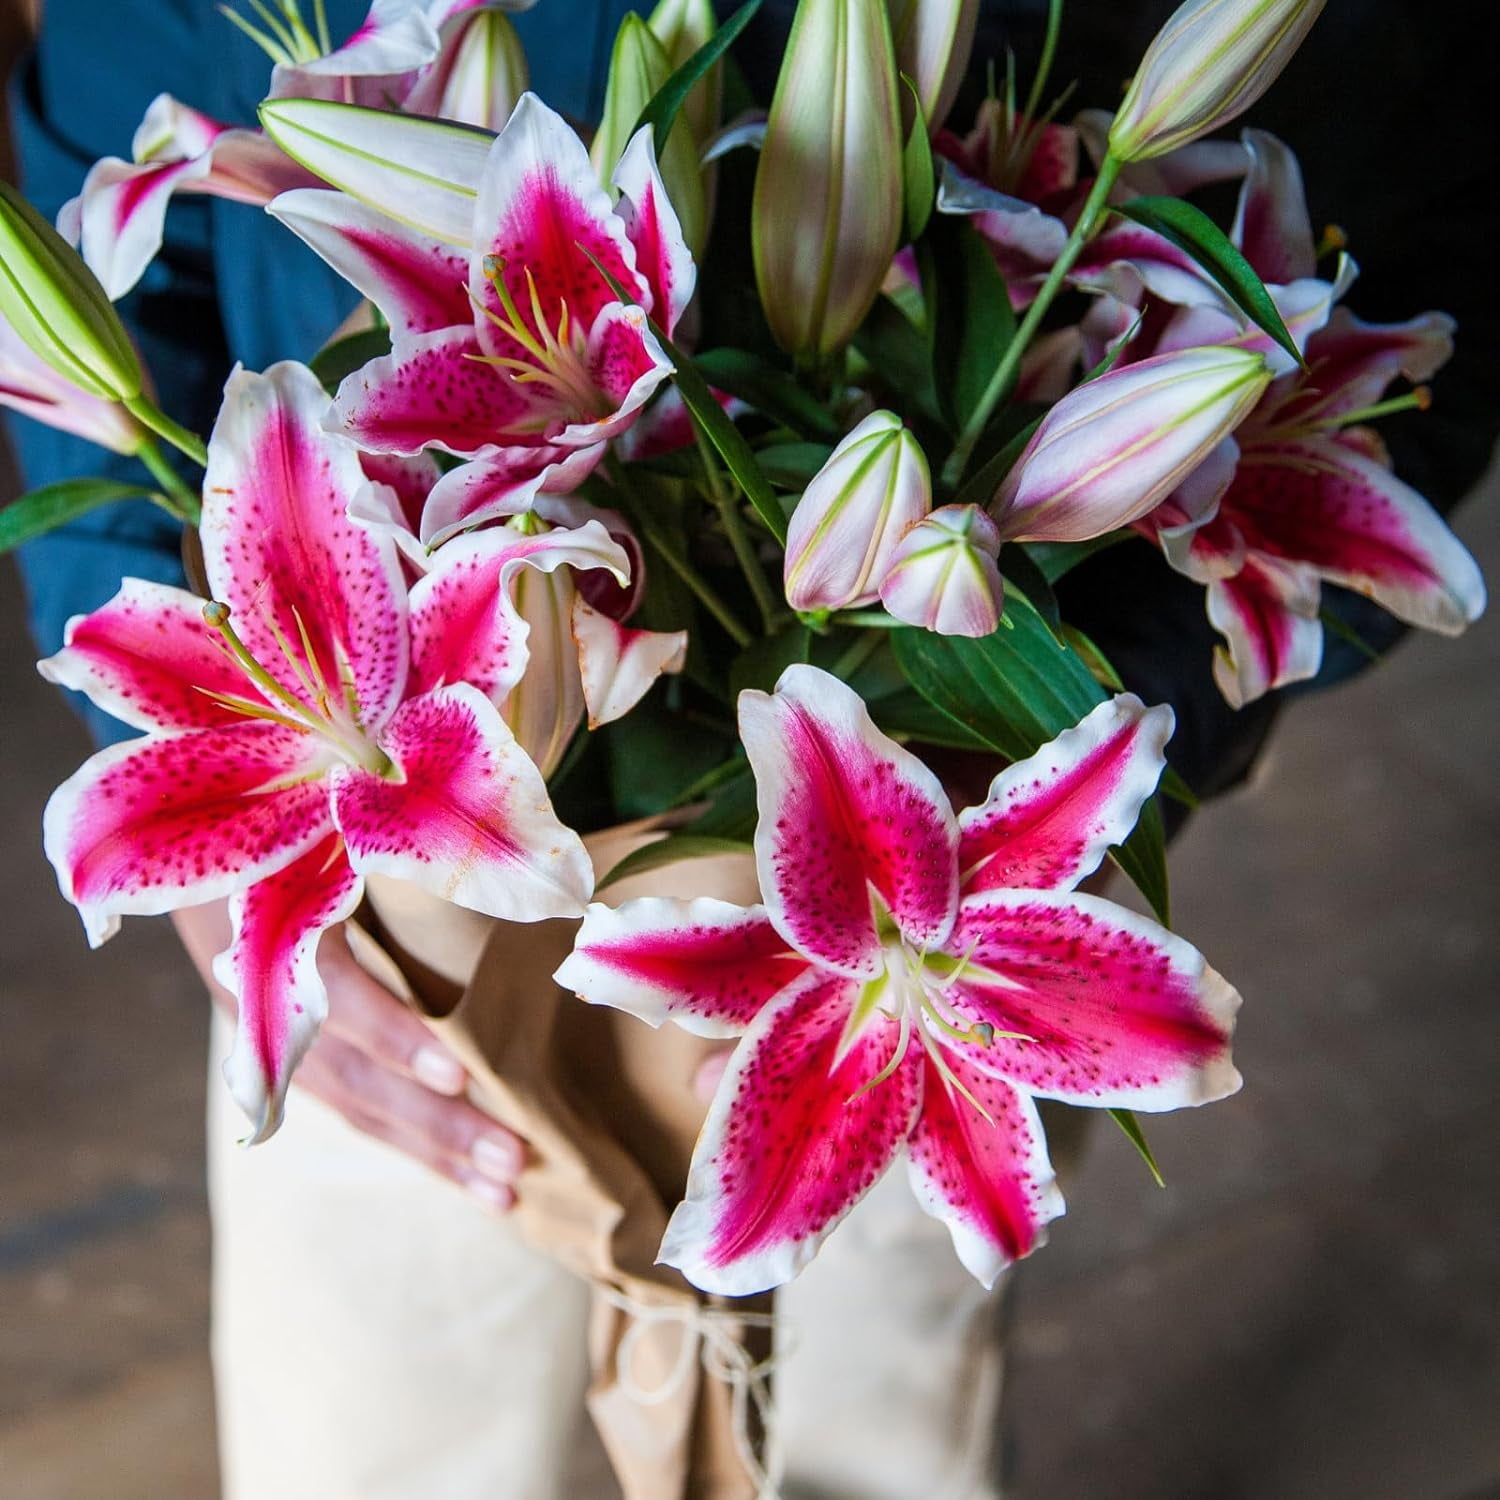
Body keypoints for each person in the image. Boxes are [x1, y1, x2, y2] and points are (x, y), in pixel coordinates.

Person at [6, 2, 1495, 1496]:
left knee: (877, 1424)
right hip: (388, 950)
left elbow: (1439, 215)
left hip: (943, 841)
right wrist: (211, 872)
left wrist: (1101, 703)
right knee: (383, 1429)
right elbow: (92, 135)